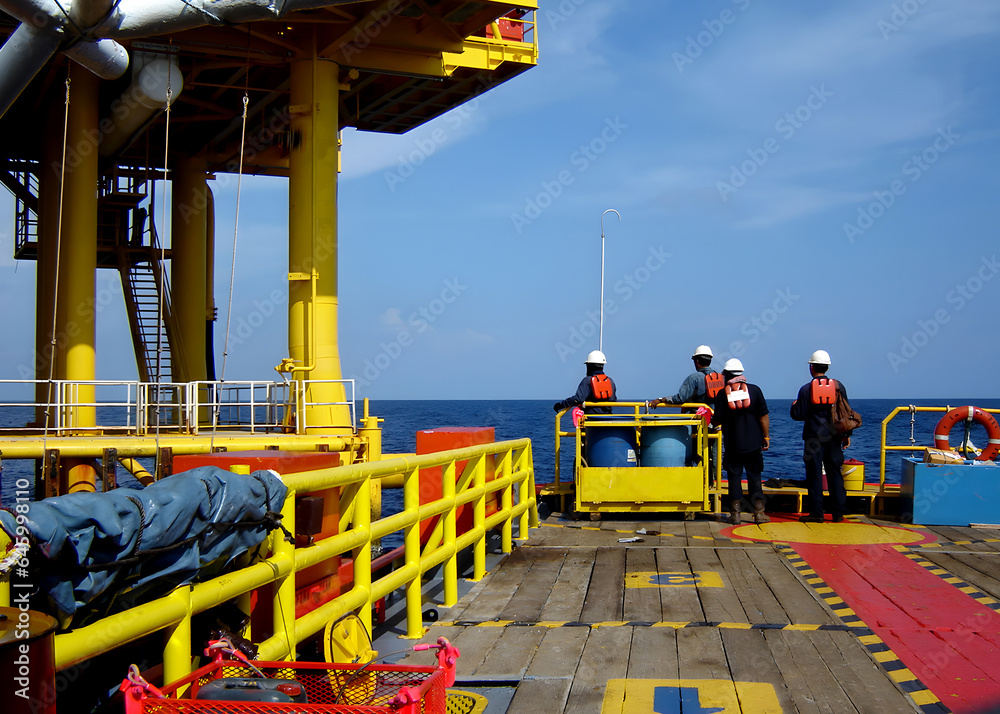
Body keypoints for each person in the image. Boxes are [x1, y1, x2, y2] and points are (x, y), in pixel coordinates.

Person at [790, 350, 849, 523]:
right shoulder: (839, 387)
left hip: (813, 437)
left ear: (811, 367)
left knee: (814, 474)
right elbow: (844, 413)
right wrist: (845, 435)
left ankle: (817, 513)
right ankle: (838, 513)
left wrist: (794, 406)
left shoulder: (806, 389)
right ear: (827, 366)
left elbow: (798, 414)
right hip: (835, 436)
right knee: (835, 473)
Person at [709, 358, 770, 525]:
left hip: (733, 444)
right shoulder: (755, 391)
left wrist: (708, 421)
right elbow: (763, 416)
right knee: (755, 477)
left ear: (727, 375)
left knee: (734, 478)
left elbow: (718, 419)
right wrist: (766, 437)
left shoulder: (722, 394)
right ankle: (759, 514)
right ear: (742, 373)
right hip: (753, 443)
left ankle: (735, 515)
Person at [648, 345, 722, 409]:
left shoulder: (694, 378)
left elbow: (679, 399)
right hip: (716, 419)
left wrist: (661, 400)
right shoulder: (720, 377)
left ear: (697, 361)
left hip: (701, 420)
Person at [553, 350, 617, 414]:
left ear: (589, 366)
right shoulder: (610, 381)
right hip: (607, 419)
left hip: (591, 420)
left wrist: (560, 405)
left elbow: (577, 399)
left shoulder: (587, 380)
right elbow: (613, 400)